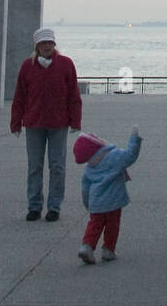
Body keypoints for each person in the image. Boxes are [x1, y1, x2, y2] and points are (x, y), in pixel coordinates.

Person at [10, 27, 81, 221]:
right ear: (37, 46)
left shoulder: (66, 64)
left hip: (58, 124)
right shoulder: (27, 66)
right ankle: (34, 206)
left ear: (54, 44)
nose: (47, 46)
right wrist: (15, 123)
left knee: (57, 166)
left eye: (50, 43)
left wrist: (76, 120)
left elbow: (74, 94)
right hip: (34, 123)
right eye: (43, 43)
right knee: (35, 166)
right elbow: (19, 97)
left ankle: (54, 207)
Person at [74, 127, 142, 264]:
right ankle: (108, 250)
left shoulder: (89, 167)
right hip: (113, 201)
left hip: (96, 203)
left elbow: (85, 189)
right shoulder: (114, 156)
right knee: (112, 226)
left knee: (94, 225)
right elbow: (131, 155)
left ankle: (87, 246)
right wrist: (134, 138)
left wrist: (87, 203)